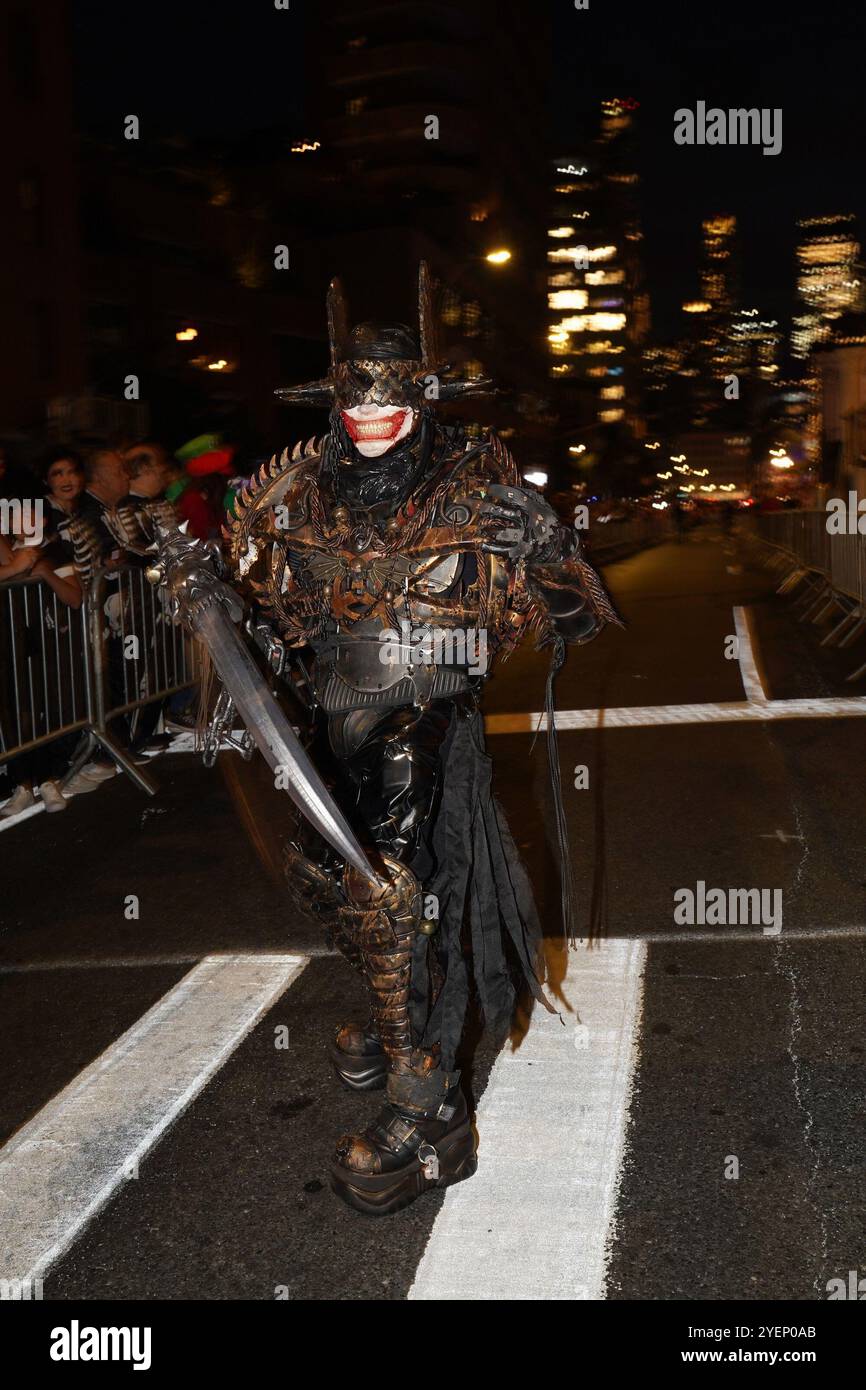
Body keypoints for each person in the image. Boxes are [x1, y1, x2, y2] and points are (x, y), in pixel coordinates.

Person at [155, 264, 621, 1216]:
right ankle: (391, 1009)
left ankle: (430, 1103)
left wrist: (549, 551)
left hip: (431, 705)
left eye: (389, 395)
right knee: (337, 878)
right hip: (334, 712)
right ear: (333, 401)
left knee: (393, 891)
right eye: (354, 397)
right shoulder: (290, 491)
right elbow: (258, 620)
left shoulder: (474, 479)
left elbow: (576, 619)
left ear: (422, 397)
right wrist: (199, 592)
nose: (369, 414)